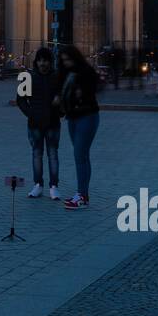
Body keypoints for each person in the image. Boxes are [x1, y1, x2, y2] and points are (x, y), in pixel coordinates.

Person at [58, 46, 101, 210]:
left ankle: (82, 195)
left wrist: (78, 95)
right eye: (63, 60)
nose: (66, 63)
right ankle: (83, 194)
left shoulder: (86, 72)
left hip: (87, 116)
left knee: (80, 155)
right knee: (82, 156)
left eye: (68, 59)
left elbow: (88, 95)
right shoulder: (67, 73)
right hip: (72, 117)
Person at [18, 47, 62, 200]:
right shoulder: (27, 77)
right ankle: (38, 185)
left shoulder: (57, 77)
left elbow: (64, 97)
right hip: (35, 124)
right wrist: (31, 114)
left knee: (52, 154)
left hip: (53, 122)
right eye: (40, 60)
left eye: (46, 60)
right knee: (37, 154)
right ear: (36, 61)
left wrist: (60, 108)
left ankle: (54, 186)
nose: (43, 63)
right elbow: (20, 100)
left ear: (51, 62)